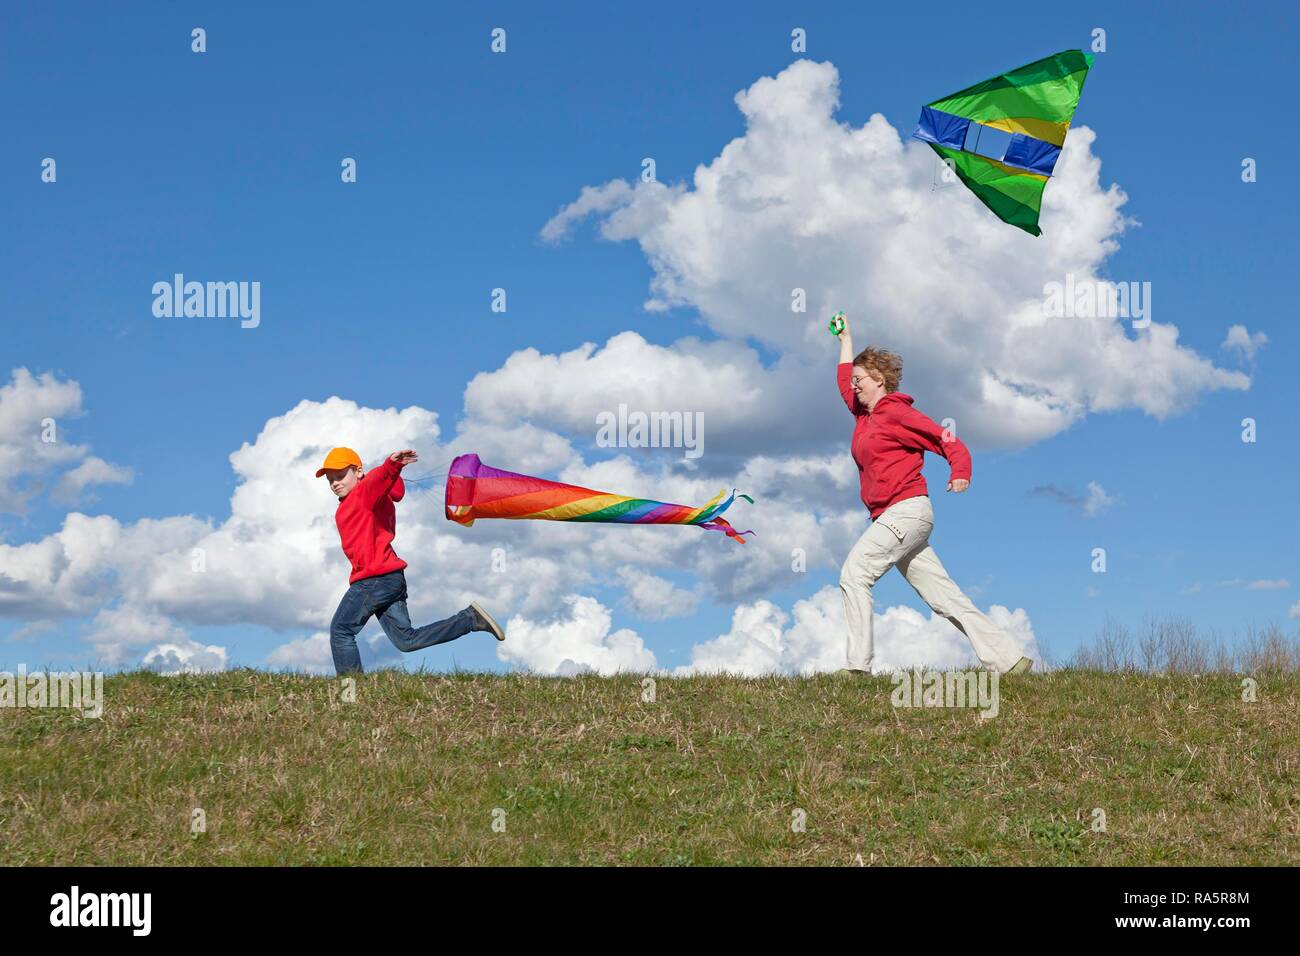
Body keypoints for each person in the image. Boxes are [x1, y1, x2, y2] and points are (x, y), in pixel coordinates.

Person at [832, 316, 1032, 676]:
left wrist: (960, 472)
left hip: (906, 512)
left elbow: (948, 440)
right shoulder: (864, 416)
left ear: (879, 380)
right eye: (854, 381)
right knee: (943, 597)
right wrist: (846, 339)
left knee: (854, 573)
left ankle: (857, 668)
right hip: (893, 518)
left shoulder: (898, 414)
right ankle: (1009, 660)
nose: (854, 386)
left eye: (860, 380)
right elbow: (842, 382)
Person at [316, 446, 505, 675]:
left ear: (358, 472)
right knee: (406, 641)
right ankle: (469, 619)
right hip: (390, 579)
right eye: (330, 480)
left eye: (340, 476)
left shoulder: (364, 494)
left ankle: (349, 695)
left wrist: (391, 465)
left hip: (375, 579)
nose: (335, 483)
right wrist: (390, 472)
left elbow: (376, 479)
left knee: (341, 631)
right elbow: (380, 484)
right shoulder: (360, 499)